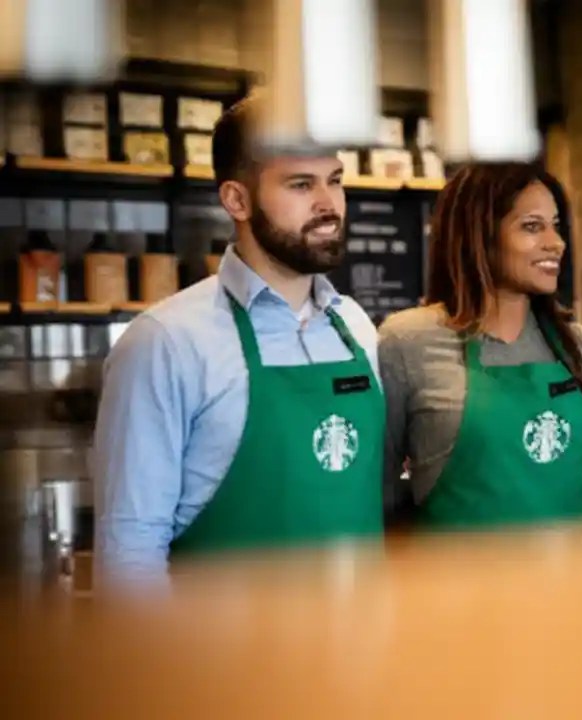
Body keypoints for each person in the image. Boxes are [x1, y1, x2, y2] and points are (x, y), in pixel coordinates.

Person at [93, 95, 383, 585]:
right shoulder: (165, 343)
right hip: (225, 659)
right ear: (237, 200)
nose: (328, 205)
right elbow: (130, 557)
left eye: (335, 181)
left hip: (361, 651)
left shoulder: (354, 325)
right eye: (300, 185)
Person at [378, 163, 582, 528]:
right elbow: (380, 495)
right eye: (532, 226)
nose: (555, 243)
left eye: (555, 226)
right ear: (479, 234)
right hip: (457, 581)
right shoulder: (408, 341)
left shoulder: (575, 345)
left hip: (571, 580)